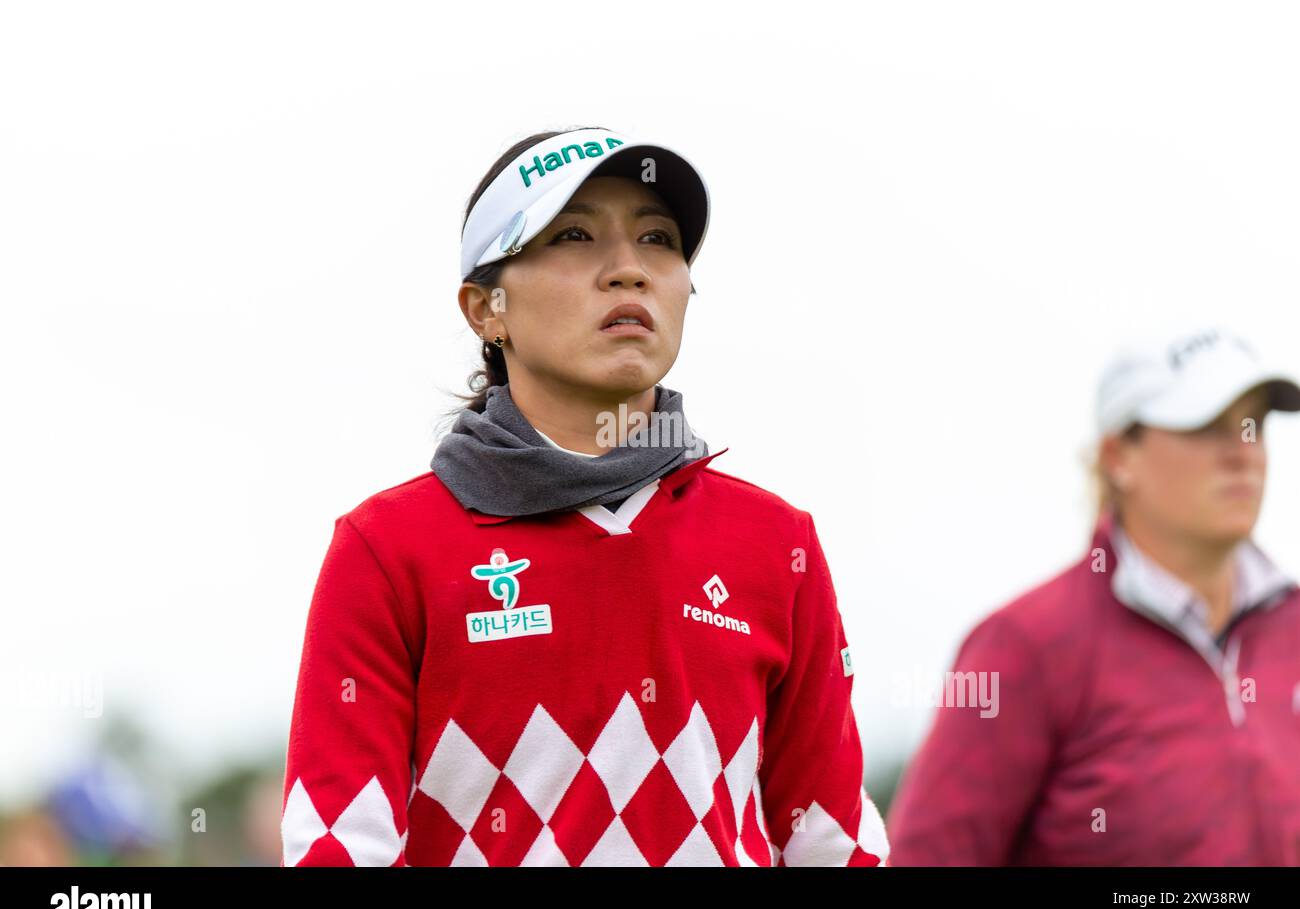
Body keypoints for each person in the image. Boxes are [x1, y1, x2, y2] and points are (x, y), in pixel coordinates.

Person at [279, 126, 890, 866]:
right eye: (573, 234)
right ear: (485, 308)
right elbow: (341, 848)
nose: (629, 270)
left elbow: (832, 842)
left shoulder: (776, 541)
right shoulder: (386, 547)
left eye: (658, 239)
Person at [886, 329, 1300, 865]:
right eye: (1205, 427)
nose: (1244, 453)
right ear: (1118, 456)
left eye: (1254, 425)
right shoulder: (1024, 644)